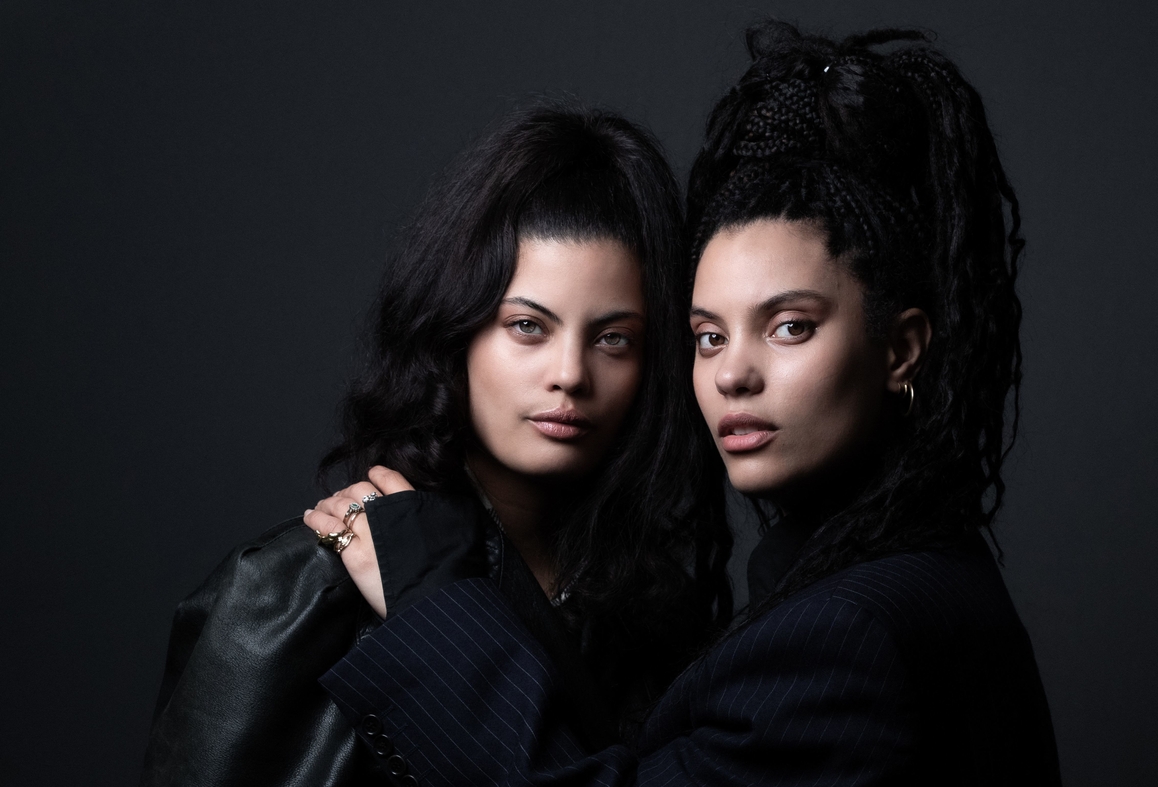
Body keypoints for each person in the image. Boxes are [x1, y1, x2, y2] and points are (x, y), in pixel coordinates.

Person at [315, 21, 1060, 786]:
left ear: (901, 349)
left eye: (790, 326)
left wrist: (436, 609)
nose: (734, 374)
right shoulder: (912, 573)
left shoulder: (849, 633)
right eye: (708, 337)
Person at [140, 105, 730, 787]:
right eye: (528, 327)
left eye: (612, 338)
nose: (570, 373)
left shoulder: (651, 608)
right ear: (456, 329)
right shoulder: (291, 594)